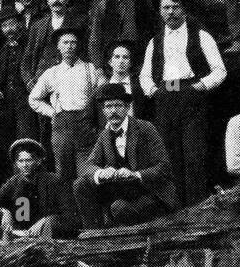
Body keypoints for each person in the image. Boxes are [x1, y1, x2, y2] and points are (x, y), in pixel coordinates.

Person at [139, 0, 227, 206]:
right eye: (166, 8)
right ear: (160, 12)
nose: (171, 12)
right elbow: (145, 74)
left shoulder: (201, 35)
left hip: (191, 95)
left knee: (194, 153)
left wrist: (200, 86)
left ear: (184, 9)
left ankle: (196, 208)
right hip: (165, 96)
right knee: (169, 155)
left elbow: (219, 70)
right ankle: (176, 209)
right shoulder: (155, 41)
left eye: (175, 7)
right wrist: (152, 91)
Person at [29, 25, 101, 235]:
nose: (69, 47)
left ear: (78, 46)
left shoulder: (89, 69)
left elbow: (100, 97)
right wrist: (52, 113)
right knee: (64, 177)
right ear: (58, 47)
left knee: (86, 176)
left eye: (73, 43)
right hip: (61, 131)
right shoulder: (51, 73)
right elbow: (33, 99)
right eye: (65, 43)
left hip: (86, 130)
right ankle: (70, 224)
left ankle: (92, 225)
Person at [75, 84, 176, 231]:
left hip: (151, 193)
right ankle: (94, 235)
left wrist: (136, 174)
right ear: (103, 110)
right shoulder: (105, 135)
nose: (113, 111)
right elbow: (88, 165)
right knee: (81, 185)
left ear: (127, 107)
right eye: (109, 106)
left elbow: (164, 167)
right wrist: (101, 172)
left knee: (119, 208)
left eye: (118, 105)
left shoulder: (145, 128)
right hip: (125, 192)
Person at [0, 138, 55, 247]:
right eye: (20, 161)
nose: (24, 165)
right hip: (19, 233)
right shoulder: (14, 181)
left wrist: (46, 221)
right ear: (16, 164)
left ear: (38, 161)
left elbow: (70, 215)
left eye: (29, 160)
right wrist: (3, 212)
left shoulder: (53, 181)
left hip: (46, 235)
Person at [21, 0, 85, 93]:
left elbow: (85, 53)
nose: (56, 0)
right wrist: (29, 81)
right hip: (42, 81)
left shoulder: (78, 24)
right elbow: (27, 57)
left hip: (70, 80)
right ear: (47, 1)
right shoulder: (37, 26)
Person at [88, 0, 145, 71]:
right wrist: (99, 69)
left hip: (138, 66)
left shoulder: (143, 5)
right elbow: (94, 40)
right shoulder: (103, 5)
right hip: (109, 66)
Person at [0, 14, 35, 153]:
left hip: (26, 99)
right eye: (4, 26)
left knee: (26, 137)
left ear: (19, 24)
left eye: (11, 24)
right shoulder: (3, 50)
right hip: (6, 101)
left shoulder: (28, 46)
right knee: (6, 138)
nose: (8, 29)